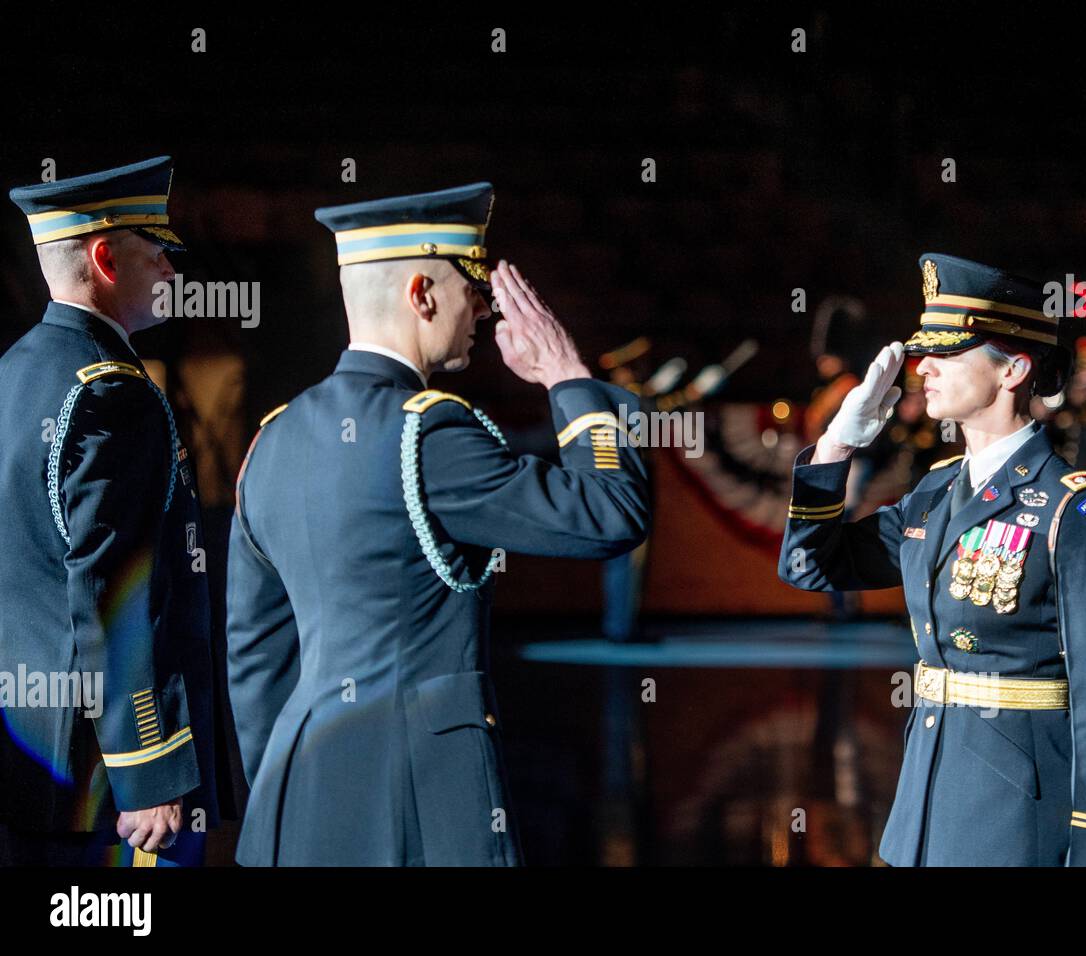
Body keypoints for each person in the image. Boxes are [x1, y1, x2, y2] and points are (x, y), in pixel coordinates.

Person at [225, 183, 650, 865]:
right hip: (422, 806)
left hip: (293, 803)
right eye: (471, 287)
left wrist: (288, 784)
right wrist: (569, 379)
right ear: (421, 294)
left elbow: (255, 656)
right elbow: (610, 515)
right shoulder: (429, 433)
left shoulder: (272, 439)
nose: (482, 306)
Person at [779, 253, 1086, 866]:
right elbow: (810, 567)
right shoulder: (933, 493)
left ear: (1014, 369)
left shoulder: (1075, 512)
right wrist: (836, 445)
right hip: (924, 801)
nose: (923, 366)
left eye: (949, 352)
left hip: (1015, 817)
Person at [0, 157, 224, 866]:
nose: (169, 266)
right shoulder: (113, 393)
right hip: (108, 785)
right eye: (155, 248)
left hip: (29, 756)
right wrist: (148, 766)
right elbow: (110, 594)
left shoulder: (13, 373)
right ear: (104, 256)